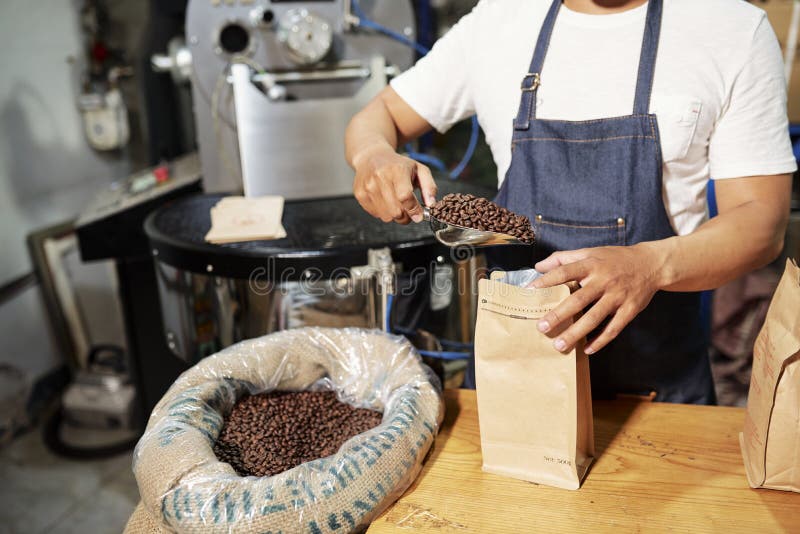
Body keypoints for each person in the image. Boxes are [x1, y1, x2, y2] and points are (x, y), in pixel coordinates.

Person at [344, 0, 796, 404]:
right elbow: (377, 117)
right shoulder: (498, 19)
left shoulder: (731, 27)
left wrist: (650, 265)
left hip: (655, 387)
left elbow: (761, 222)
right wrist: (373, 155)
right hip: (514, 377)